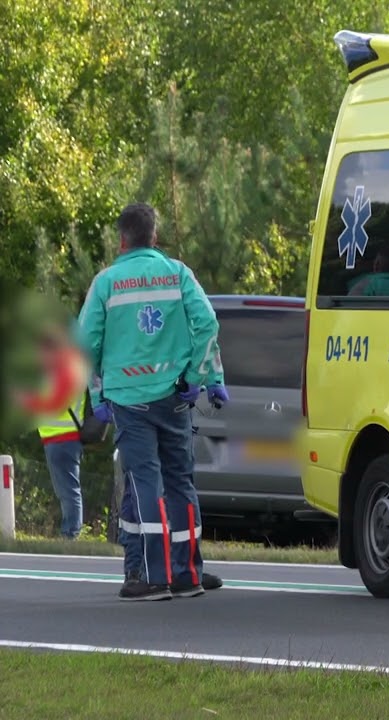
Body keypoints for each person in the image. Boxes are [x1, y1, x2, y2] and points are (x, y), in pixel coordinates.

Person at [77, 203, 227, 601]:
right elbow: (207, 324)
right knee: (181, 482)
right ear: (154, 237)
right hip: (175, 397)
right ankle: (188, 574)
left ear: (121, 239)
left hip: (129, 402)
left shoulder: (107, 282)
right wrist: (202, 378)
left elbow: (84, 344)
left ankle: (153, 577)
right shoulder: (177, 274)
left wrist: (97, 395)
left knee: (145, 484)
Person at [33, 328, 86, 539]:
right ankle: (70, 532)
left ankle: (71, 534)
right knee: (66, 490)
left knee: (68, 491)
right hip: (59, 437)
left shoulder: (63, 371)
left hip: (63, 437)